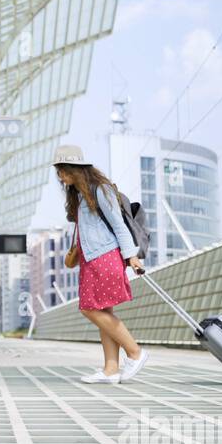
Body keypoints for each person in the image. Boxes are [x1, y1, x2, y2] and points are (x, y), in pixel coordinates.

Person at [52, 144, 149, 384]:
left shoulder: (100, 190)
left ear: (76, 169)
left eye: (63, 171)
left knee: (89, 308)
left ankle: (135, 352)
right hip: (91, 259)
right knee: (103, 310)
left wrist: (132, 256)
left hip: (105, 257)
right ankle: (110, 370)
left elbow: (118, 224)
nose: (61, 177)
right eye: (59, 173)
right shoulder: (79, 196)